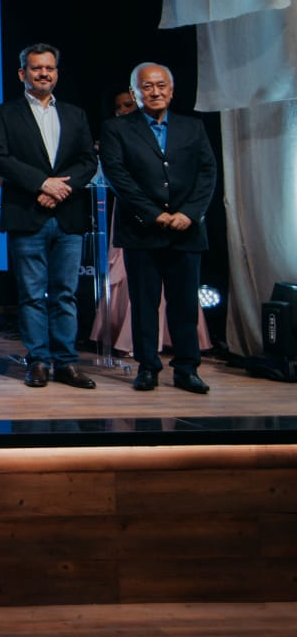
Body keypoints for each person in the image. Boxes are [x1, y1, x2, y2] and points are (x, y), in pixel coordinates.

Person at [98, 63, 218, 394]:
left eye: (161, 85)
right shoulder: (117, 128)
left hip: (186, 230)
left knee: (184, 306)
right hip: (142, 230)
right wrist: (154, 215)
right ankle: (148, 367)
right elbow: (118, 177)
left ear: (172, 90)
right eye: (147, 87)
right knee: (144, 304)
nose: (155, 92)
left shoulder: (193, 127)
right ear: (135, 93)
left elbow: (207, 173)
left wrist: (190, 214)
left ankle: (187, 369)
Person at [0, 43, 100, 390]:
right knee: (32, 294)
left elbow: (88, 161)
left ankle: (66, 362)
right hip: (27, 214)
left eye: (49, 68)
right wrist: (42, 183)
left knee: (65, 292)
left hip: (68, 215)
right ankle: (37, 360)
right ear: (23, 74)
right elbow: (1, 159)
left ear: (56, 73)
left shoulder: (75, 114)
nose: (43, 74)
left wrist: (62, 188)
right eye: (36, 68)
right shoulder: (3, 113)